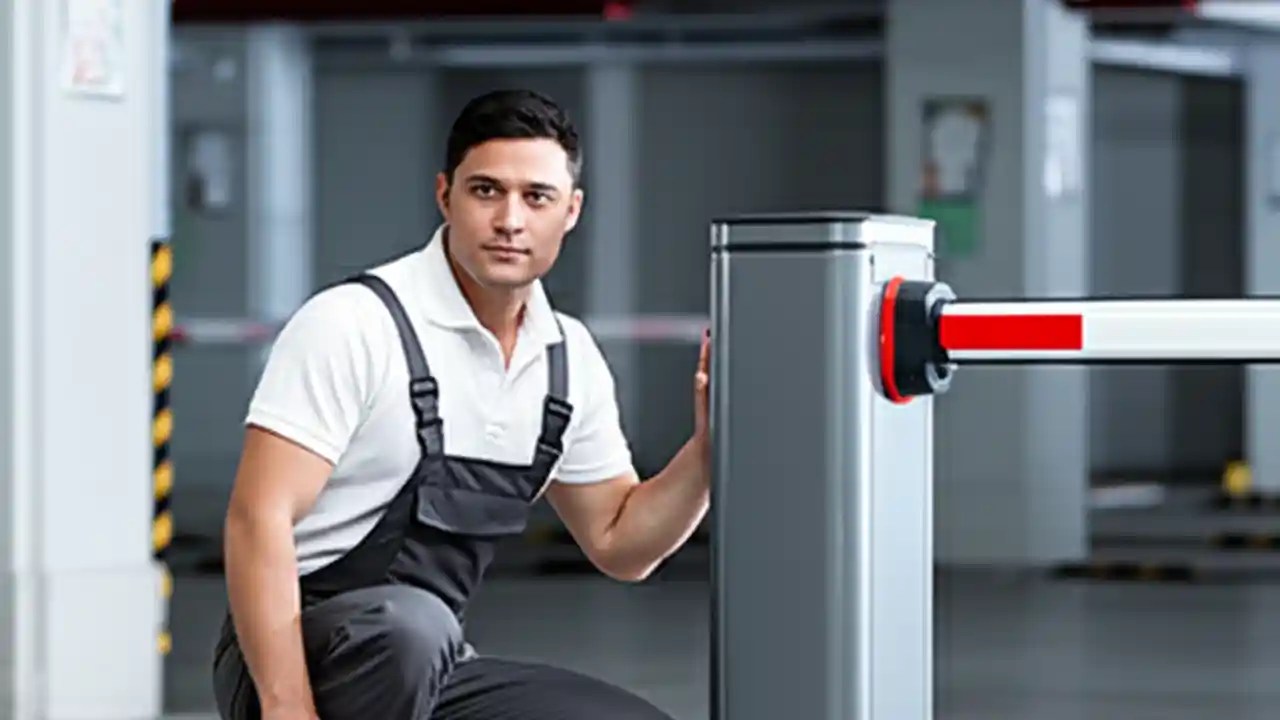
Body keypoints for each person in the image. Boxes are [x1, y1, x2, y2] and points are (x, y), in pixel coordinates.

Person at [210, 88, 711, 720]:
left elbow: (622, 544)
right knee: (412, 627)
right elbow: (258, 518)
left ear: (572, 211)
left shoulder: (566, 357)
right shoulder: (355, 323)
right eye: (486, 191)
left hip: (428, 658)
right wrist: (288, 709)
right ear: (445, 195)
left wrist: (709, 449)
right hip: (284, 658)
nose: (510, 220)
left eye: (536, 197)